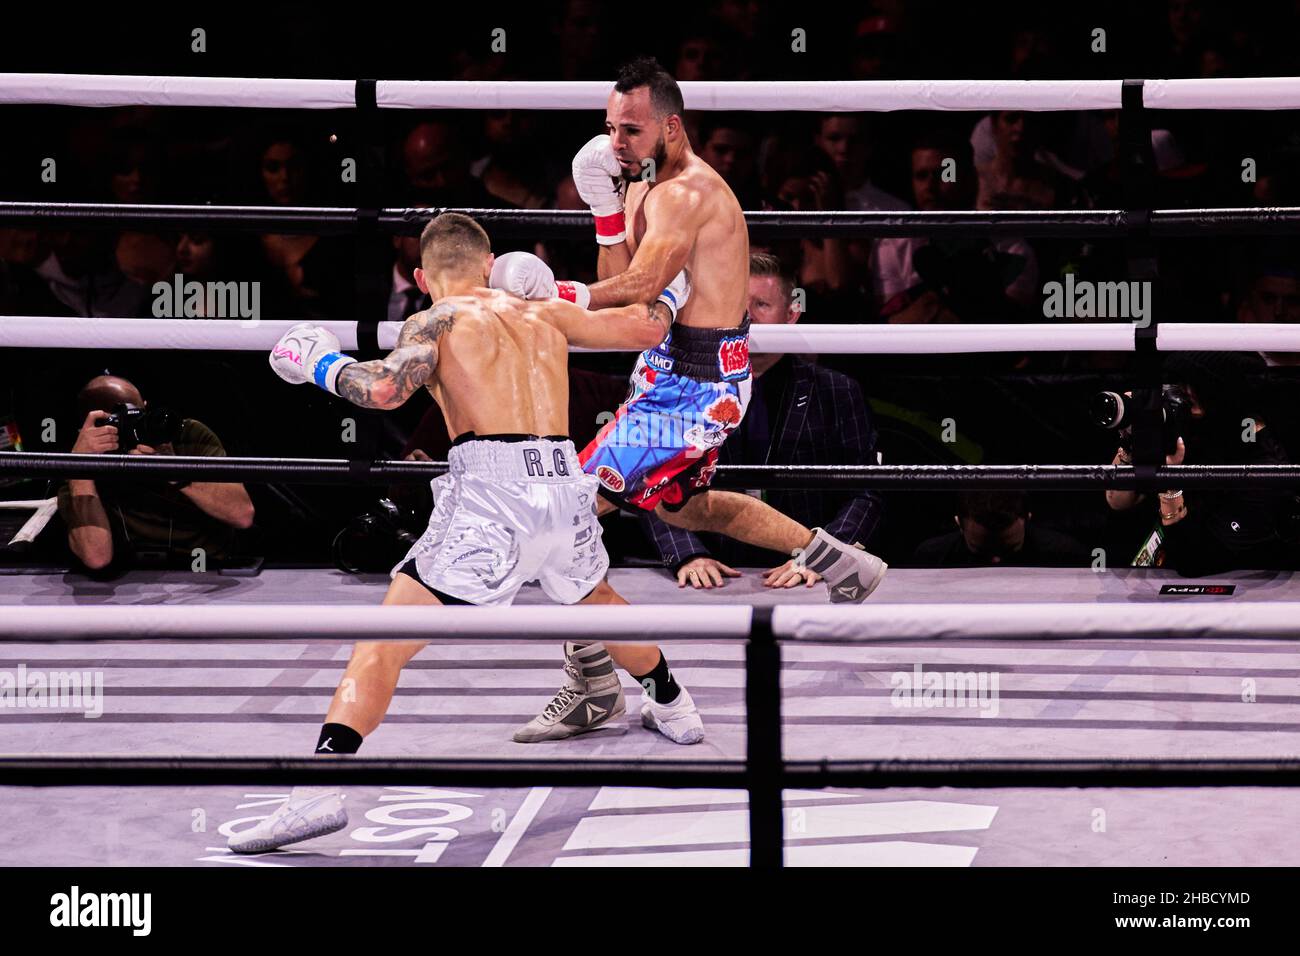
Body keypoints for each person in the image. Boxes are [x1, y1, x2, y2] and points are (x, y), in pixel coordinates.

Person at [230, 212, 679, 853]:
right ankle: (673, 700)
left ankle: (317, 790)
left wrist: (319, 363)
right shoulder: (543, 312)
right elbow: (642, 328)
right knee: (595, 601)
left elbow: (384, 390)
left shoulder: (435, 319)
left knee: (381, 644)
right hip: (564, 481)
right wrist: (673, 288)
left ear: (420, 276)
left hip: (492, 496)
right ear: (490, 260)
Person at [490, 57, 887, 742]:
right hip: (670, 373)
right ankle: (841, 561)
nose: (617, 144)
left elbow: (640, 285)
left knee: (562, 515)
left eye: (632, 130)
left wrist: (554, 294)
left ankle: (596, 682)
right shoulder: (647, 189)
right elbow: (628, 283)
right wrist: (606, 213)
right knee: (686, 505)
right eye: (610, 129)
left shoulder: (687, 194)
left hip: (697, 389)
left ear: (672, 127)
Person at [642, 252, 886, 587]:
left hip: (804, 574)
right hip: (715, 574)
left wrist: (825, 558)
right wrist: (688, 554)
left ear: (791, 314)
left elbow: (867, 491)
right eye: (739, 304)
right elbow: (649, 481)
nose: (747, 317)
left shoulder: (836, 390)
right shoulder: (685, 388)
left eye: (762, 304)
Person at [57, 375, 254, 573]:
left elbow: (242, 515)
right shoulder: (80, 464)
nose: (134, 427)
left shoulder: (186, 435)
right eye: (122, 421)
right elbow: (96, 557)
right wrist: (81, 464)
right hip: (125, 576)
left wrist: (173, 468)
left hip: (202, 567)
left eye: (139, 415)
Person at [910, 490, 1091, 568]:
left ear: (1027, 518)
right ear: (958, 522)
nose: (996, 561)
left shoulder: (1065, 557)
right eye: (980, 551)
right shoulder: (931, 558)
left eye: (1009, 549)